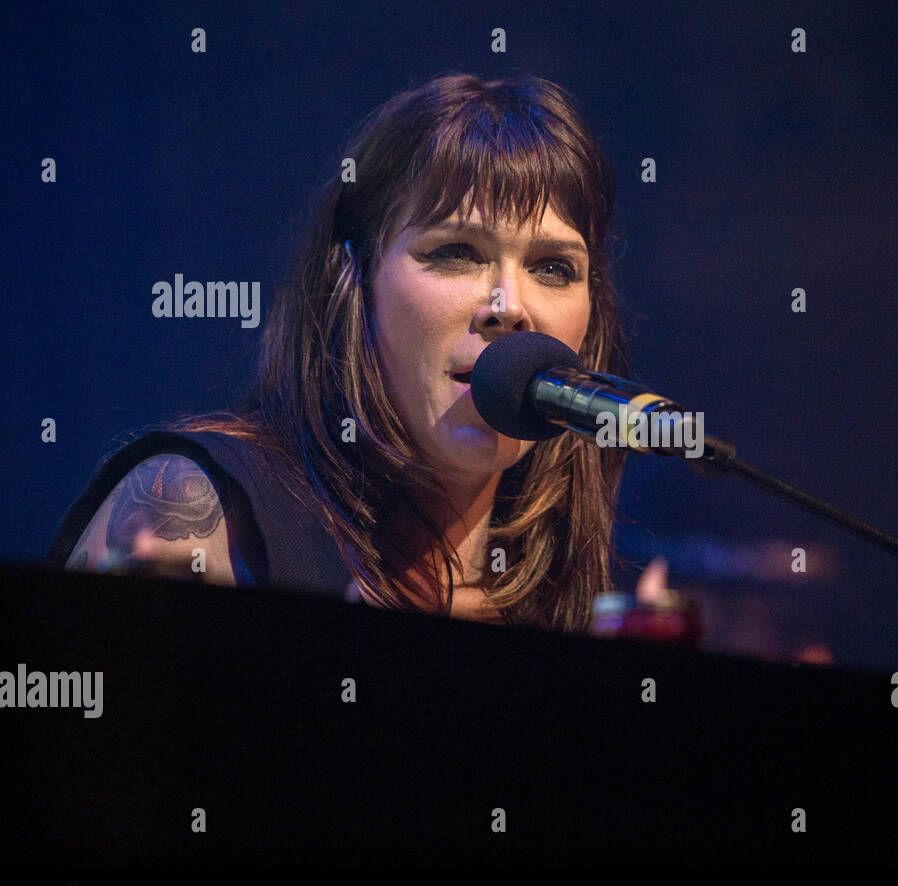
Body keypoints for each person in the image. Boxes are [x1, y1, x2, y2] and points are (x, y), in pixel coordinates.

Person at [48, 72, 647, 632]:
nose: (509, 306)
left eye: (553, 267)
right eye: (456, 252)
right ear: (357, 283)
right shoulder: (203, 509)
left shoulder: (584, 589)